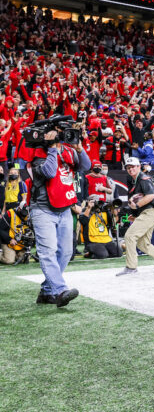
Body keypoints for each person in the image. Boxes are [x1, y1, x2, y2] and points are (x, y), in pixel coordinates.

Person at [29, 126, 91, 306]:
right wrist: (51, 149)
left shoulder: (68, 152)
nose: (60, 137)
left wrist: (79, 148)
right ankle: (60, 290)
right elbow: (49, 172)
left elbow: (85, 167)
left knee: (66, 252)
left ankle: (47, 291)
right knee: (47, 251)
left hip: (64, 207)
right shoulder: (38, 153)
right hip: (42, 209)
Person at [115, 157, 154, 276]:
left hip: (150, 212)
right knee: (142, 243)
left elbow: (150, 196)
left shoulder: (144, 179)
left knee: (129, 236)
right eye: (128, 167)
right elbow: (139, 200)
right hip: (148, 213)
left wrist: (137, 205)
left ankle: (131, 267)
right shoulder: (133, 180)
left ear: (139, 167)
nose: (130, 169)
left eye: (133, 167)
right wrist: (135, 214)